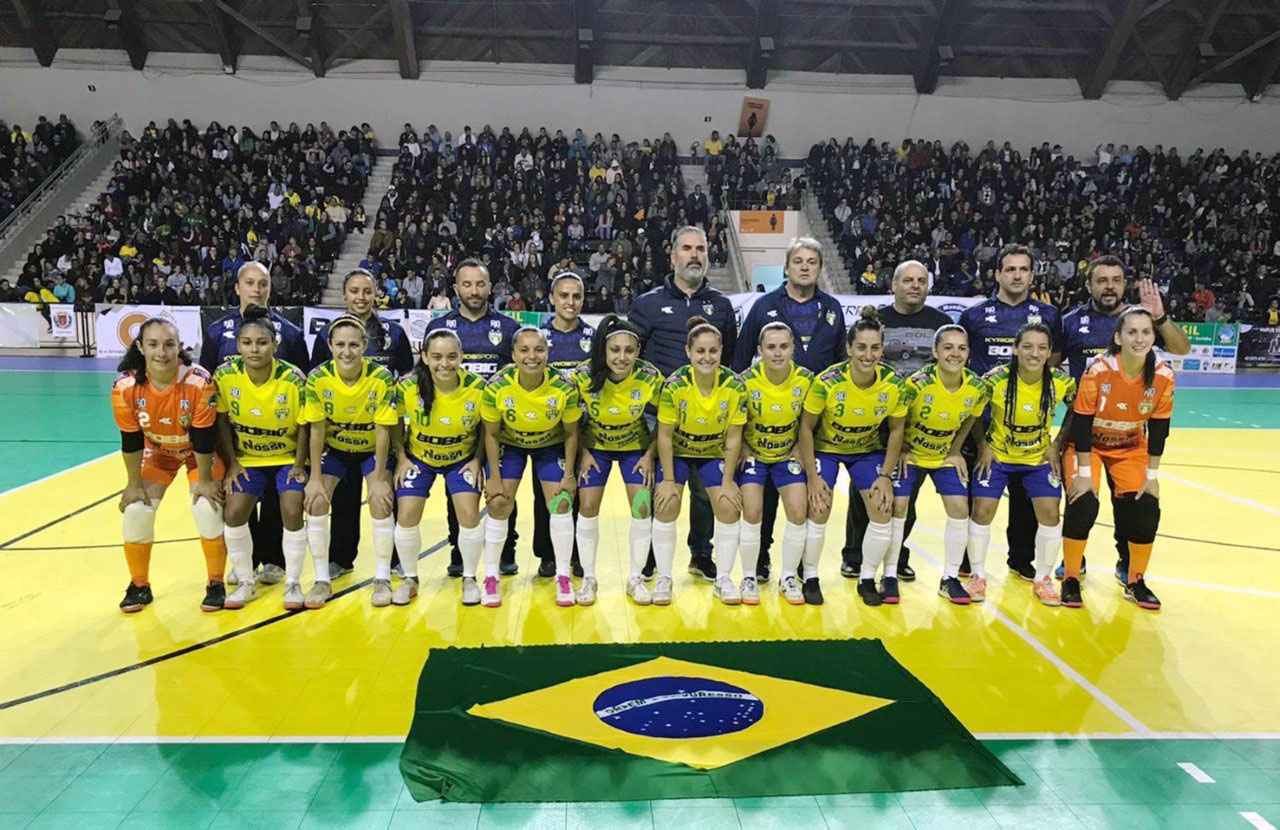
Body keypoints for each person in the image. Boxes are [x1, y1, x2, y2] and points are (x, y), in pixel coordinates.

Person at [1056, 256, 1190, 581]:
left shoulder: (1140, 322)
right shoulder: (1071, 321)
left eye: (1116, 280)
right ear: (1089, 285)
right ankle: (1075, 563)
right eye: (1102, 280)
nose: (1110, 286)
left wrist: (1160, 317)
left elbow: (1181, 348)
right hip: (1083, 426)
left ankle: (1127, 564)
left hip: (1128, 433)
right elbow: (1050, 365)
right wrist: (1062, 406)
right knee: (1082, 501)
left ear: (1124, 284)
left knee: (1132, 505)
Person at [732, 237, 845, 582]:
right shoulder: (765, 305)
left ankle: (797, 565)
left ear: (820, 268)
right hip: (767, 420)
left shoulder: (833, 308)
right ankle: (762, 556)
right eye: (799, 261)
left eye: (812, 261)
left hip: (814, 422)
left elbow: (841, 364)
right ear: (787, 267)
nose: (805, 267)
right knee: (761, 496)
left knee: (807, 497)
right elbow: (739, 363)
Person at [630, 226, 737, 582]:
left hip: (707, 417)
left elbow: (731, 359)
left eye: (701, 249)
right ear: (673, 255)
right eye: (687, 249)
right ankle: (648, 555)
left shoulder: (721, 305)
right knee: (656, 487)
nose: (695, 255)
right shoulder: (647, 304)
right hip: (656, 419)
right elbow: (631, 359)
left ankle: (700, 554)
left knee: (705, 493)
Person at [199, 261, 309, 587]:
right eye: (250, 283)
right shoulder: (218, 331)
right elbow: (206, 382)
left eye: (263, 283)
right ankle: (246, 562)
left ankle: (274, 559)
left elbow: (303, 385)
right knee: (238, 500)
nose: (256, 289)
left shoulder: (289, 332)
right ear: (237, 287)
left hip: (279, 435)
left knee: (279, 501)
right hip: (234, 436)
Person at [842, 260, 953, 580]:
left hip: (920, 424)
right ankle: (853, 554)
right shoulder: (878, 321)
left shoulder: (941, 322)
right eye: (908, 280)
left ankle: (897, 554)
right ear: (893, 285)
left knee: (906, 496)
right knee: (865, 491)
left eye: (921, 280)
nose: (915, 286)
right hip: (877, 423)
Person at [958, 244, 1062, 581]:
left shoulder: (1048, 315)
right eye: (1010, 269)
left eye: (1023, 269)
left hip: (1028, 428)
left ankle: (1021, 558)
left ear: (1032, 275)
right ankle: (967, 563)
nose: (1017, 275)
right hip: (983, 424)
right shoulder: (974, 316)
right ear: (998, 274)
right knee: (979, 498)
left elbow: (1054, 368)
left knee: (1025, 497)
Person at [110, 318, 228, 613]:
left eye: (169, 344)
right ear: (140, 347)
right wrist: (133, 483)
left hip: (198, 454)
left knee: (206, 507)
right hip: (160, 453)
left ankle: (216, 582)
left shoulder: (199, 382)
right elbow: (131, 439)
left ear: (179, 347)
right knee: (137, 511)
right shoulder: (125, 387)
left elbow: (203, 437)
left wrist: (204, 480)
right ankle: (139, 586)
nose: (161, 352)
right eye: (153, 344)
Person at [1061, 307, 1174, 611]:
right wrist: (1084, 472)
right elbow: (1082, 422)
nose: (1139, 338)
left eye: (1146, 332)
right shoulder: (1099, 369)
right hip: (1089, 446)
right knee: (1083, 501)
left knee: (1146, 505)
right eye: (1132, 332)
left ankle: (1136, 581)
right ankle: (1071, 576)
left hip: (1130, 447)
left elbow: (1160, 429)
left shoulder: (1163, 374)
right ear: (1118, 337)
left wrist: (1151, 477)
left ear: (1154, 336)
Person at [798, 307, 907, 607]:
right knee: (819, 506)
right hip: (827, 449)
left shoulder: (893, 383)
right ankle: (810, 576)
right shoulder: (827, 383)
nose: (868, 355)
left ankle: (867, 578)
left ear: (882, 349)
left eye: (874, 348)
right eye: (861, 347)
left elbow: (897, 431)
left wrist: (885, 475)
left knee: (883, 507)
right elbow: (806, 428)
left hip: (865, 452)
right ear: (849, 348)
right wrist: (812, 476)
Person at [309, 269, 414, 580]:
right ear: (344, 295)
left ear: (375, 294)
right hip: (340, 434)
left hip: (381, 430)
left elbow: (407, 376)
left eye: (367, 291)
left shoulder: (393, 333)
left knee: (384, 494)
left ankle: (394, 559)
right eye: (354, 291)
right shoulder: (329, 333)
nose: (360, 297)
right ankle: (341, 558)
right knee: (343, 499)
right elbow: (319, 378)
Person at [424, 259, 521, 576]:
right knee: (458, 492)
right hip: (457, 427)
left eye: (480, 284)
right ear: (455, 289)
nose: (474, 291)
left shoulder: (508, 328)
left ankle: (505, 551)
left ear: (490, 287)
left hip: (499, 427)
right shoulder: (439, 329)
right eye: (467, 284)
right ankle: (458, 551)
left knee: (501, 490)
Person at [971, 323, 1076, 607]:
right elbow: (970, 409)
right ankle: (977, 575)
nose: (1034, 353)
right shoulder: (994, 380)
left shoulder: (1060, 381)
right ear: (1015, 349)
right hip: (1000, 458)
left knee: (1050, 513)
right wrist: (983, 445)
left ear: (1050, 352)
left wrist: (1057, 445)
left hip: (1037, 459)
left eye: (1042, 348)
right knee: (982, 510)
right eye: (1027, 346)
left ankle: (1043, 579)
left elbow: (1078, 410)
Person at [300, 317, 400, 609]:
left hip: (370, 450)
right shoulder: (318, 378)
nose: (347, 351)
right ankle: (322, 580)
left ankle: (381, 578)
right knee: (316, 501)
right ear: (330, 346)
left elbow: (383, 431)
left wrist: (380, 477)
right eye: (340, 345)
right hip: (337, 451)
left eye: (354, 345)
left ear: (365, 346)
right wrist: (315, 477)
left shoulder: (381, 378)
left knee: (380, 501)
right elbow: (316, 430)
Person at [479, 327, 582, 608]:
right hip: (510, 444)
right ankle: (490, 576)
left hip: (550, 444)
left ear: (548, 353)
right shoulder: (497, 386)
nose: (532, 356)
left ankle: (563, 574)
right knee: (499, 503)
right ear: (513, 355)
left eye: (539, 350)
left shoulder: (564, 387)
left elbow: (572, 433)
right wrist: (495, 478)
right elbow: (490, 434)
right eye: (524, 350)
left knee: (561, 502)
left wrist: (570, 475)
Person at [653, 318, 749, 606]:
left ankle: (723, 578)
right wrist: (669, 481)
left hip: (712, 453)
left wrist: (728, 480)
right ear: (688, 353)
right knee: (667, 503)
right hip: (680, 452)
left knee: (730, 506)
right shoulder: (674, 385)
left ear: (721, 352)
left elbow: (734, 438)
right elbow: (665, 436)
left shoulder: (735, 385)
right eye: (700, 352)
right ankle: (664, 577)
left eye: (713, 351)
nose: (707, 358)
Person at [894, 325, 990, 605]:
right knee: (899, 507)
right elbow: (897, 422)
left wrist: (956, 450)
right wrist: (902, 451)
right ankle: (888, 574)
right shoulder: (916, 384)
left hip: (942, 457)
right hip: (912, 455)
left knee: (960, 509)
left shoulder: (976, 387)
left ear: (969, 353)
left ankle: (949, 578)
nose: (955, 354)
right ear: (935, 352)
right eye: (948, 348)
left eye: (961, 348)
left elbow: (971, 420)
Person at [572, 315, 663, 606]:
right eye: (615, 350)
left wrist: (650, 455)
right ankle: (588, 578)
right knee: (587, 506)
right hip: (594, 446)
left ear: (638, 352)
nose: (622, 357)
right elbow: (570, 420)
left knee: (642, 506)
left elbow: (667, 417)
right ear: (603, 351)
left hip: (634, 446)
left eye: (629, 350)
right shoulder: (583, 375)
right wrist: (582, 453)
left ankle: (635, 577)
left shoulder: (649, 375)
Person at [393, 329, 486, 607]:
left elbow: (488, 428)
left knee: (469, 514)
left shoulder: (478, 388)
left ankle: (469, 578)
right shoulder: (407, 387)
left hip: (462, 459)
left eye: (451, 357)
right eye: (436, 357)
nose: (444, 364)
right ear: (424, 357)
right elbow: (393, 422)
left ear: (462, 357)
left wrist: (477, 459)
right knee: (407, 512)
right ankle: (410, 578)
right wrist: (401, 457)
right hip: (420, 458)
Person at [735, 323, 816, 605]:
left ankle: (789, 576)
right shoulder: (745, 380)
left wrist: (798, 448)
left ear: (793, 349)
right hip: (754, 455)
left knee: (797, 510)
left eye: (783, 346)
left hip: (787, 456)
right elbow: (733, 425)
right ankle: (748, 576)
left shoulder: (807, 380)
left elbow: (811, 425)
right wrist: (744, 447)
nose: (778, 353)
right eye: (771, 347)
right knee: (753, 511)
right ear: (760, 351)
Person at [533, 272, 596, 578]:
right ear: (552, 299)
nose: (570, 302)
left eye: (576, 296)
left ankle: (578, 555)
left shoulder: (593, 339)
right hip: (546, 432)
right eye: (564, 296)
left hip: (583, 431)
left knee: (581, 493)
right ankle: (547, 555)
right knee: (545, 495)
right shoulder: (538, 338)